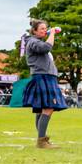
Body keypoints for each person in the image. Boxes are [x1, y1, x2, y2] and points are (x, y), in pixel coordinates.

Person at [20, 19, 67, 148]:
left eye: (45, 28)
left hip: (46, 77)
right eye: (42, 28)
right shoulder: (33, 42)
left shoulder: (35, 41)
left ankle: (42, 139)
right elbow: (47, 47)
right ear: (34, 30)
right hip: (43, 77)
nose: (44, 30)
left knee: (42, 109)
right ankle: (41, 141)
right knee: (48, 107)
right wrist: (52, 33)